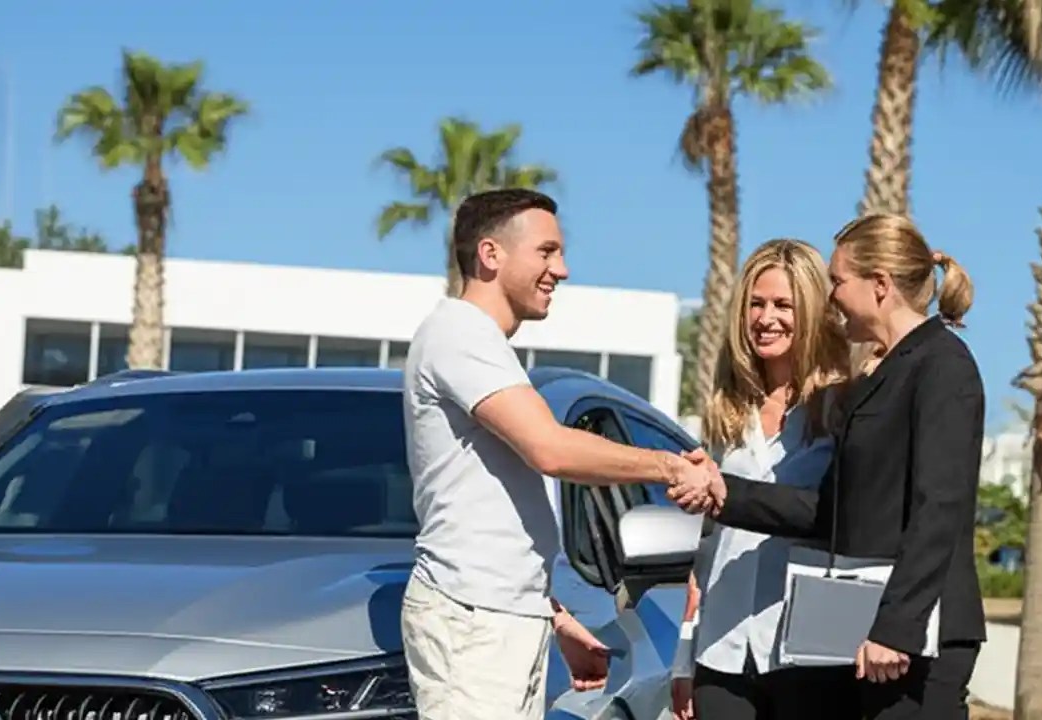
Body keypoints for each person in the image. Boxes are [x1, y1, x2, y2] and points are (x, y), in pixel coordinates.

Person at [400, 188, 718, 720]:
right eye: (546, 252)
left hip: (496, 615)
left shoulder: (480, 343)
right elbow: (549, 447)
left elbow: (485, 505)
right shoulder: (459, 332)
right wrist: (669, 465)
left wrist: (549, 613)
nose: (562, 270)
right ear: (490, 254)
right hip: (475, 621)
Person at [675, 212, 987, 719]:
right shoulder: (888, 371)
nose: (833, 296)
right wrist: (724, 490)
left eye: (838, 281)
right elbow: (832, 508)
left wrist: (896, 628)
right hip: (866, 633)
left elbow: (940, 507)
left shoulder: (942, 365)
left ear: (880, 286)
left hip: (919, 639)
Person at [669, 239, 853, 720]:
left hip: (812, 650)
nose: (765, 318)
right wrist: (683, 660)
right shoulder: (727, 411)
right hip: (723, 649)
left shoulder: (843, 407)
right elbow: (704, 552)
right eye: (756, 303)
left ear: (812, 311)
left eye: (782, 305)